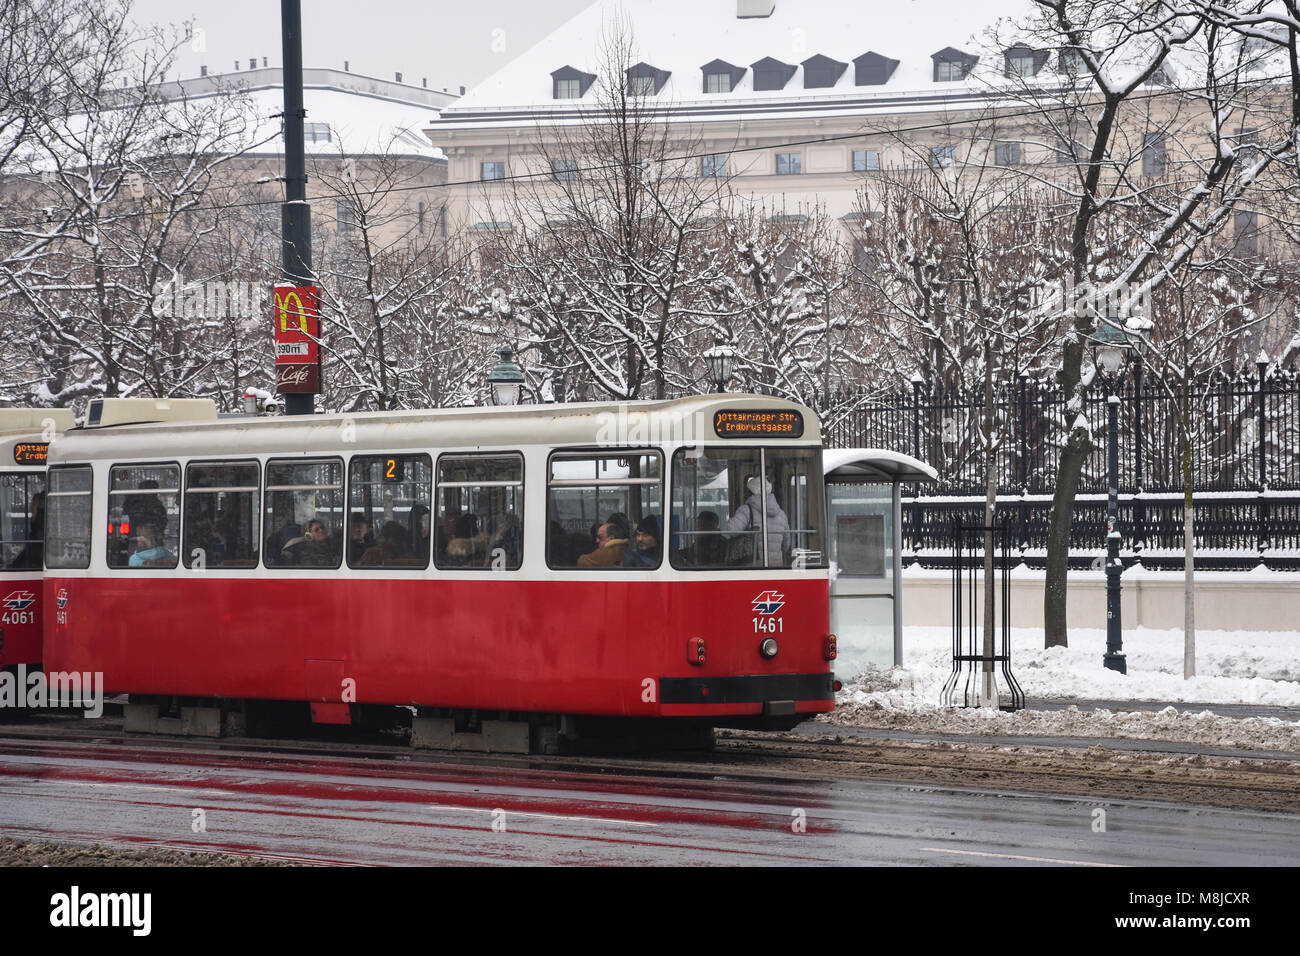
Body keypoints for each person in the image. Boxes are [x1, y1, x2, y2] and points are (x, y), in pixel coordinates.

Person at [725, 474, 789, 566]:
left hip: (753, 566)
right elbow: (786, 545)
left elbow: (731, 530)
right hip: (777, 566)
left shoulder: (746, 510)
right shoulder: (782, 514)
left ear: (752, 492)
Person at [8, 491, 44, 570]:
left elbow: (39, 537)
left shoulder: (41, 519)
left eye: (34, 505)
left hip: (38, 550)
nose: (32, 508)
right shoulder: (38, 518)